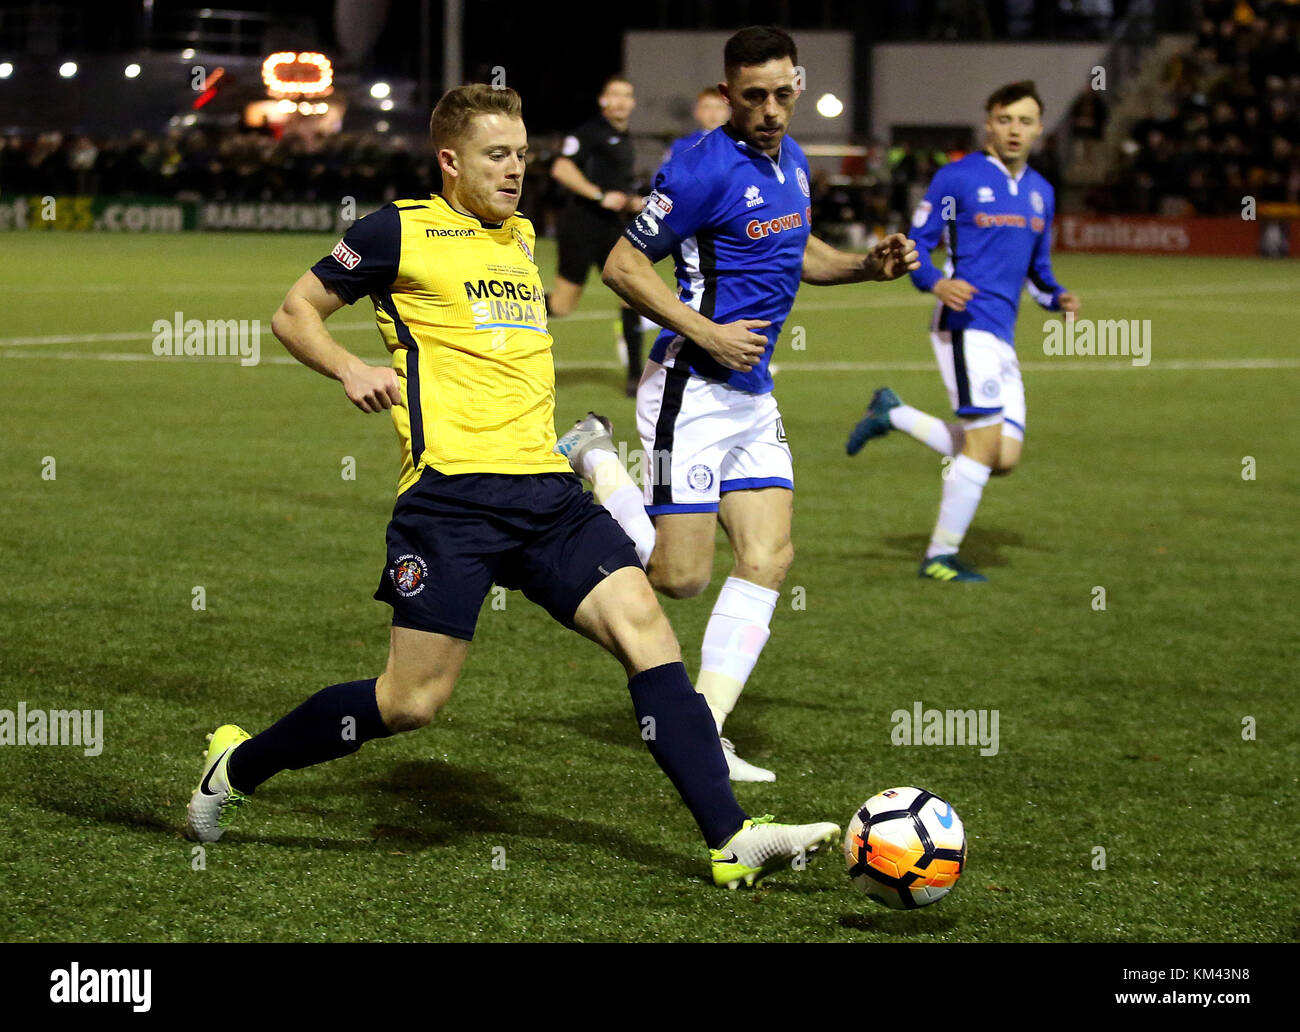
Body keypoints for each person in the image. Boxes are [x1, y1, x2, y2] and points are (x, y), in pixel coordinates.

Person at [184, 83, 838, 890]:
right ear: (450, 160)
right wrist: (351, 366)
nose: (517, 170)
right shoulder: (398, 229)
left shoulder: (520, 234)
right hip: (451, 501)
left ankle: (730, 838)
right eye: (499, 155)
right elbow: (294, 313)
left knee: (649, 633)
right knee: (412, 702)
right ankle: (238, 765)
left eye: (524, 155)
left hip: (546, 496)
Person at [556, 26, 919, 782]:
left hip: (753, 395)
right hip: (690, 388)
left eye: (784, 93)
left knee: (769, 556)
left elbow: (801, 250)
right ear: (727, 93)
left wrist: (865, 267)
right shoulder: (698, 167)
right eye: (754, 96)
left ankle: (705, 732)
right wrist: (708, 333)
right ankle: (595, 455)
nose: (773, 109)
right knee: (678, 579)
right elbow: (623, 265)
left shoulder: (794, 163)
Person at [846, 80, 1080, 582]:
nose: (1014, 130)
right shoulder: (957, 179)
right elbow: (916, 248)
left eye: (1024, 121)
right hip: (965, 323)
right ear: (988, 122)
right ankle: (939, 557)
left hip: (1002, 333)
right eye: (1004, 119)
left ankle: (894, 413)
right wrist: (936, 283)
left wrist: (1056, 297)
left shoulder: (1042, 193)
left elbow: (1039, 271)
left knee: (1004, 457)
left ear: (1040, 128)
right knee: (981, 446)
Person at [548, 75, 646, 396]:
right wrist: (598, 196)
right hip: (581, 224)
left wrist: (632, 200)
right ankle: (510, 309)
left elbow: (617, 185)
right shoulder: (589, 133)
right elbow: (561, 169)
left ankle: (636, 376)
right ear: (603, 100)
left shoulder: (627, 138)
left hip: (612, 228)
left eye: (626, 96)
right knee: (562, 306)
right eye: (613, 95)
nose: (620, 101)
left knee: (630, 293)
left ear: (632, 103)